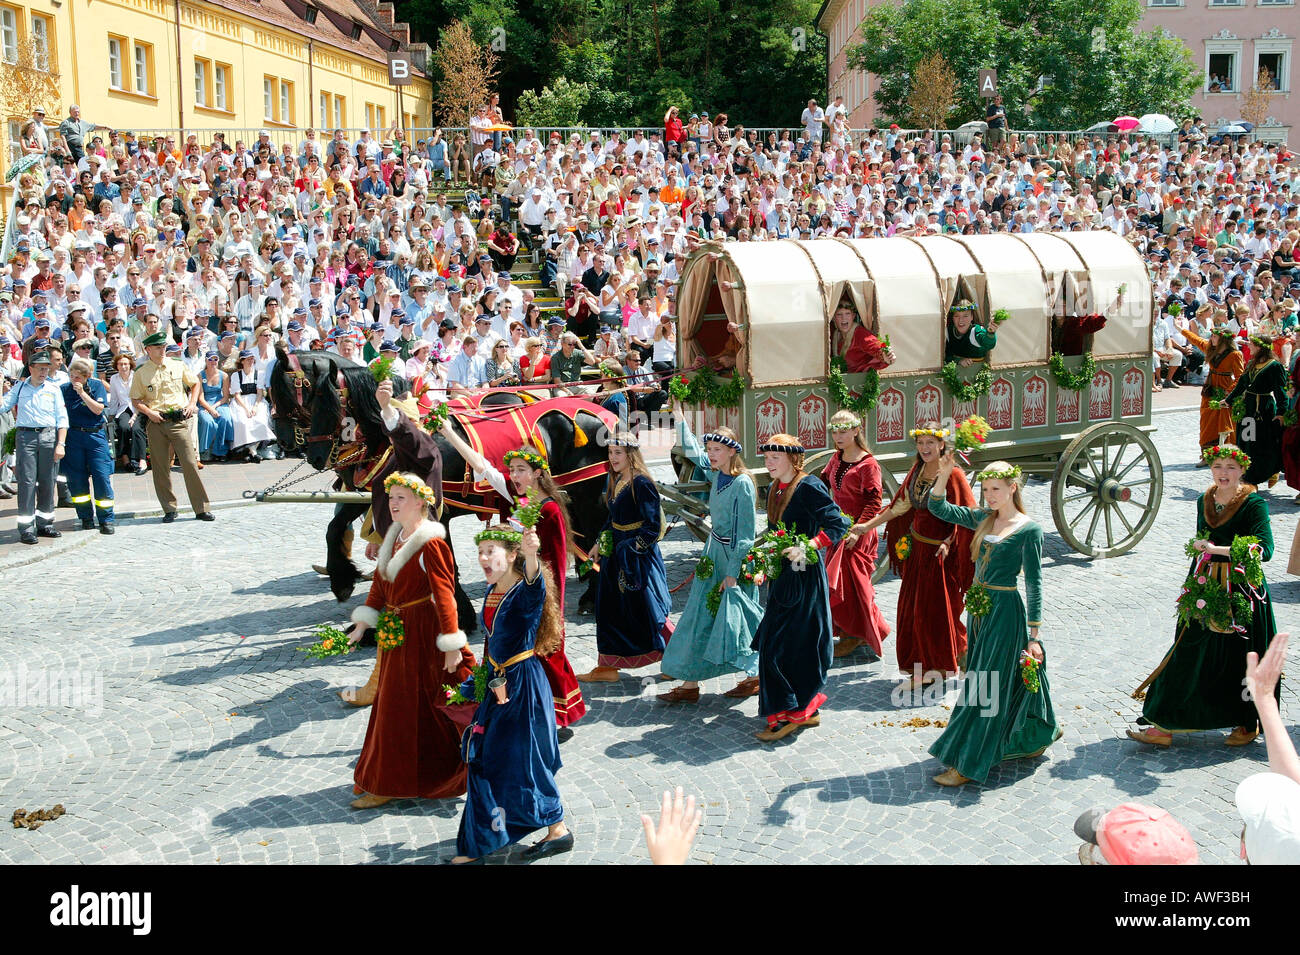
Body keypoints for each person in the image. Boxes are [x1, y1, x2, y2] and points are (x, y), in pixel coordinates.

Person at [435, 422, 588, 732]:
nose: (515, 477)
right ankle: (503, 712)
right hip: (506, 593)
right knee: (502, 654)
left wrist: (550, 611)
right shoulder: (516, 500)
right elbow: (481, 465)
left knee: (540, 654)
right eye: (513, 471)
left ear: (537, 474)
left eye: (521, 470)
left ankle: (553, 718)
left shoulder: (550, 511)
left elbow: (556, 564)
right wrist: (448, 433)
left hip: (534, 596)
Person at [1129, 445, 1278, 748]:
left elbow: (1265, 550)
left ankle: (1248, 722)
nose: (1223, 473)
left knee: (1241, 658)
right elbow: (1202, 539)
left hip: (1242, 590)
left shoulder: (1253, 504)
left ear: (1242, 470)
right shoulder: (1204, 500)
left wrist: (1219, 551)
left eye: (1231, 467)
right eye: (1218, 467)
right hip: (1205, 586)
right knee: (1187, 651)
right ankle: (1163, 725)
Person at [924, 456, 1060, 786]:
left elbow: (1034, 582)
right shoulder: (984, 519)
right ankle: (1030, 735)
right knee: (984, 678)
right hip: (980, 612)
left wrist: (1034, 635)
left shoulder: (1030, 530)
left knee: (986, 684)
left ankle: (969, 764)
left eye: (996, 489)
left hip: (1005, 612)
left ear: (1013, 488)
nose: (989, 496)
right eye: (985, 489)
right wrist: (943, 476)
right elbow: (940, 509)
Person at [345, 472, 477, 809]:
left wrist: (451, 645)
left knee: (400, 708)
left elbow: (444, 595)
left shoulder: (430, 542)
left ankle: (390, 782)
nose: (392, 503)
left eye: (400, 498)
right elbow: (380, 584)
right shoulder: (394, 535)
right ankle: (401, 776)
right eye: (391, 498)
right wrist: (362, 624)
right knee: (399, 706)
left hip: (421, 633)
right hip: (395, 631)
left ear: (421, 502)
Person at [450, 524, 573, 864]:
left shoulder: (523, 591)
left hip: (522, 689)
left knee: (522, 762)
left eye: (491, 551)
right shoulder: (492, 592)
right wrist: (473, 684)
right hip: (498, 684)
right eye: (481, 551)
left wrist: (533, 554)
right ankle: (494, 834)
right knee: (488, 759)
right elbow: (493, 646)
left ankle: (554, 827)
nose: (483, 558)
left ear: (512, 555)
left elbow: (536, 582)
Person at [860, 424, 977, 687]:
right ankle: (940, 660)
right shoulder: (918, 471)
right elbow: (899, 506)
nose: (925, 448)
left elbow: (968, 515)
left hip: (939, 555)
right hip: (918, 552)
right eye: (921, 443)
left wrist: (949, 542)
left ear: (942, 446)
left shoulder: (954, 476)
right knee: (912, 611)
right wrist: (867, 526)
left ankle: (933, 668)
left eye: (930, 443)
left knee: (935, 612)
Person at [750, 434, 848, 742]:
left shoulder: (808, 486)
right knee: (778, 644)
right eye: (766, 458)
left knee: (788, 645)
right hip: (785, 574)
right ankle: (797, 709)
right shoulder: (775, 488)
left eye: (774, 458)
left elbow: (838, 523)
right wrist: (766, 566)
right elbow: (776, 533)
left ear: (793, 459)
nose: (768, 463)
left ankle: (795, 710)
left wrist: (809, 545)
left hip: (804, 574)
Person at [658, 427, 762, 703]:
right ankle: (690, 682)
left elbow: (745, 534)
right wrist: (680, 418)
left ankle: (755, 675)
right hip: (713, 552)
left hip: (732, 561)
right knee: (699, 615)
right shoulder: (718, 475)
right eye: (710, 449)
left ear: (732, 451)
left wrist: (732, 574)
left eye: (717, 450)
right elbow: (695, 453)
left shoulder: (742, 484)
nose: (711, 455)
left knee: (736, 620)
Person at [579, 432, 671, 682]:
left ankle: (675, 659)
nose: (613, 458)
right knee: (609, 611)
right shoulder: (617, 479)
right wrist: (600, 542)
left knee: (648, 610)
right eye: (610, 453)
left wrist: (632, 549)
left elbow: (652, 526)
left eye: (618, 453)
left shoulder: (642, 483)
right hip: (616, 557)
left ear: (631, 454)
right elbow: (612, 519)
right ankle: (608, 666)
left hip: (635, 560)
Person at [821, 411, 891, 659]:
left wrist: (858, 530)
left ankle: (860, 634)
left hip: (859, 532)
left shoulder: (868, 464)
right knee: (841, 584)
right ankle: (852, 632)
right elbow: (823, 486)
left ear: (855, 431)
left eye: (843, 431)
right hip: (839, 530)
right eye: (834, 431)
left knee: (856, 585)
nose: (838, 436)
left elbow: (874, 503)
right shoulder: (836, 458)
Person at [129, 331, 213, 523]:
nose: (162, 350)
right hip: (157, 422)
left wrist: (192, 404)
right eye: (158, 347)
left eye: (164, 347)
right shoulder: (142, 373)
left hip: (178, 420)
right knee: (160, 468)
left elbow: (195, 384)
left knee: (190, 464)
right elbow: (135, 399)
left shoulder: (177, 365)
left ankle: (201, 508)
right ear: (148, 349)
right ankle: (169, 508)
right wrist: (149, 413)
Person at [0, 346, 67, 544]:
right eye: (40, 368)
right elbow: (4, 405)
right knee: (27, 483)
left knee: (47, 481)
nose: (43, 372)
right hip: (26, 438)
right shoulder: (20, 387)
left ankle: (45, 523)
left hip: (48, 437)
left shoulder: (54, 389)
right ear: (31, 368)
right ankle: (26, 527)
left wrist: (60, 444)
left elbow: (62, 419)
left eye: (46, 368)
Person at [60, 357, 115, 534]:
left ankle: (106, 519)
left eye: (78, 377)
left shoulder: (96, 385)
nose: (74, 380)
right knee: (76, 480)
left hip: (94, 435)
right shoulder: (64, 390)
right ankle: (85, 517)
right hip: (74, 436)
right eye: (71, 376)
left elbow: (98, 409)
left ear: (87, 376)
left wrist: (83, 393)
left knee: (101, 476)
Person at [1224, 336, 1287, 487]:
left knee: (1261, 444)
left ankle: (1260, 475)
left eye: (1251, 345)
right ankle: (1247, 476)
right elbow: (1241, 385)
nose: (1249, 347)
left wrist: (1281, 412)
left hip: (1263, 410)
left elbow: (1281, 391)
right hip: (1248, 409)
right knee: (1246, 441)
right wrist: (1228, 400)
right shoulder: (1252, 363)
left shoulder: (1274, 366)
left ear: (1260, 347)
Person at [1181, 321, 1243, 458]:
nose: (1211, 339)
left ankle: (1225, 453)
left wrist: (1228, 394)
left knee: (1224, 422)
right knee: (1206, 421)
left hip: (1224, 389)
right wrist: (1181, 330)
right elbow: (1197, 340)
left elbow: (1240, 377)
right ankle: (1206, 454)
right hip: (1210, 388)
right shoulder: (1211, 349)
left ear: (1223, 339)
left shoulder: (1235, 355)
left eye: (1215, 337)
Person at [226, 349, 276, 461]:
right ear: (242, 361)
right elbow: (237, 395)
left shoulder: (259, 374)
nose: (250, 361)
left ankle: (251, 452)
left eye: (252, 359)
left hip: (256, 401)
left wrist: (255, 407)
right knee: (242, 421)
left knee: (260, 420)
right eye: (248, 359)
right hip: (241, 402)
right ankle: (253, 453)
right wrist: (246, 409)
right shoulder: (236, 375)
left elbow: (259, 393)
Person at [829, 297, 894, 373]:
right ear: (833, 318)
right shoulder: (835, 334)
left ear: (853, 316)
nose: (844, 318)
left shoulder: (860, 333)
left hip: (861, 382)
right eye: (839, 314)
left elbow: (874, 345)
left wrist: (885, 355)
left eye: (847, 313)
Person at [196, 352, 234, 462]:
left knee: (225, 418)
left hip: (220, 402)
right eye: (210, 359)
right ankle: (205, 450)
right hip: (205, 403)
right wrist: (210, 409)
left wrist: (215, 407)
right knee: (208, 421)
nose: (213, 362)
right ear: (206, 361)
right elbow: (201, 398)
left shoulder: (224, 375)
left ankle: (221, 451)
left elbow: (225, 397)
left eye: (215, 359)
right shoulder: (200, 375)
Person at [944, 300, 998, 365]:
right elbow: (946, 356)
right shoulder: (948, 331)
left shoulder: (976, 331)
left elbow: (988, 343)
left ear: (972, 317)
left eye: (965, 316)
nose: (961, 320)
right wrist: (958, 361)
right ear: (952, 318)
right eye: (956, 316)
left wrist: (990, 333)